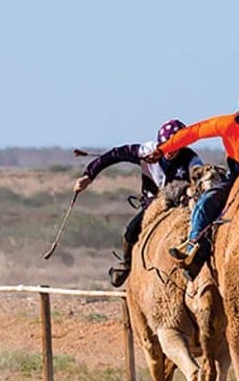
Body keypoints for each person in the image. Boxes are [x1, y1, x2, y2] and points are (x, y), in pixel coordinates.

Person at [153, 86, 239, 277]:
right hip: (237, 176)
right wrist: (164, 149)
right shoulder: (228, 124)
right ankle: (193, 248)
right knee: (206, 201)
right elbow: (194, 132)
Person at [72, 119, 203, 286]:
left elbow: (199, 177)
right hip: (152, 205)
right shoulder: (146, 151)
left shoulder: (191, 159)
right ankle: (127, 264)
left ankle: (198, 261)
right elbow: (113, 155)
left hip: (182, 206)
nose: (170, 151)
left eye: (175, 145)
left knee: (201, 229)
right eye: (166, 145)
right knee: (131, 231)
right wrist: (88, 175)